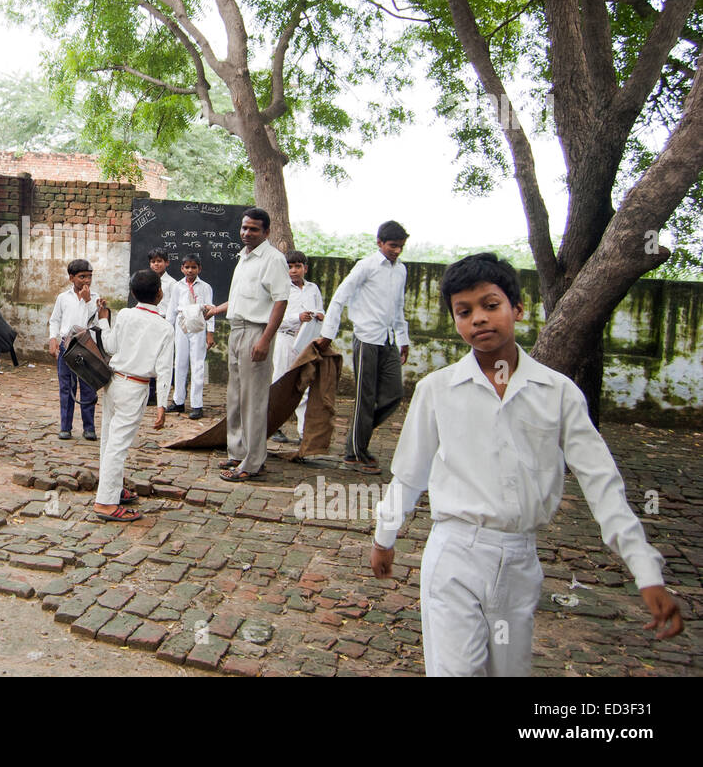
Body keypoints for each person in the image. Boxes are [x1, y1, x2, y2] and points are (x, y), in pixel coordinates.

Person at [371, 252, 682, 676]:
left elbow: (601, 481)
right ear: (455, 321)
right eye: (464, 312)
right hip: (455, 551)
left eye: (490, 305)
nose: (478, 318)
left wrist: (645, 568)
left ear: (517, 308)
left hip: (520, 559)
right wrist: (385, 535)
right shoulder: (437, 391)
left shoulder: (558, 393)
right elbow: (409, 472)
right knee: (456, 671)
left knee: (509, 670)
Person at [202, 208, 290, 482]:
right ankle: (237, 452)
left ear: (266, 232)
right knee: (236, 396)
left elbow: (280, 301)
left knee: (254, 399)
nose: (246, 233)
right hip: (237, 329)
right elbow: (240, 300)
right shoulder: (243, 258)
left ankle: (252, 463)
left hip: (256, 332)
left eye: (253, 229)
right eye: (244, 228)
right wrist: (216, 310)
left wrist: (265, 339)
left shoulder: (273, 260)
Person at [316, 220, 410, 474]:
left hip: (389, 339)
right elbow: (339, 298)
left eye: (401, 246)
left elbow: (399, 306)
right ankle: (354, 453)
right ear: (379, 242)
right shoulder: (366, 266)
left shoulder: (400, 270)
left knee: (394, 394)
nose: (397, 251)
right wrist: (327, 334)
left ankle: (359, 436)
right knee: (365, 398)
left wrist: (403, 339)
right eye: (392, 246)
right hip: (367, 337)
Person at [93, 269, 174, 522]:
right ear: (160, 294)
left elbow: (109, 346)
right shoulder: (164, 327)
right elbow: (164, 370)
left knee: (109, 439)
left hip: (114, 382)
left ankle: (113, 489)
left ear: (132, 292)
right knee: (118, 445)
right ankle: (105, 502)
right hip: (135, 387)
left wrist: (104, 319)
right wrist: (162, 405)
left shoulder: (126, 315)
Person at [271, 250, 325, 443]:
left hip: (306, 340)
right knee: (280, 382)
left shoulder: (313, 289)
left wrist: (318, 315)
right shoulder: (281, 289)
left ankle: (304, 431)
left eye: (297, 267)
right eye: (290, 267)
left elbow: (320, 309)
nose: (293, 271)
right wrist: (297, 318)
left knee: (305, 383)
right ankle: (274, 426)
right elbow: (275, 319)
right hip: (286, 338)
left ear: (305, 268)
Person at [49, 258, 100, 441]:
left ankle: (89, 427)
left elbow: (95, 323)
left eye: (89, 277)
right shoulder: (63, 298)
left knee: (88, 388)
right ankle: (65, 427)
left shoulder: (95, 298)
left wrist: (88, 302)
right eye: (82, 277)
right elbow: (55, 319)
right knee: (66, 387)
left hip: (87, 348)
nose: (86, 281)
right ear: (71, 278)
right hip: (67, 347)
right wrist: (53, 338)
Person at [165, 252, 215, 420]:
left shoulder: (205, 287)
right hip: (181, 324)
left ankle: (197, 404)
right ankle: (178, 400)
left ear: (199, 268)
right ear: (182, 268)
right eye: (187, 267)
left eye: (193, 267)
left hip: (199, 325)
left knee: (198, 363)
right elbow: (172, 309)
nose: (190, 270)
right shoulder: (178, 287)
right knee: (179, 362)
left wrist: (210, 333)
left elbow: (211, 311)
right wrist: (168, 330)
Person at [145, 248, 177, 407]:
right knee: (150, 356)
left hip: (165, 321)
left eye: (159, 261)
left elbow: (173, 306)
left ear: (167, 263)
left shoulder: (172, 284)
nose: (156, 264)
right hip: (150, 321)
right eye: (153, 262)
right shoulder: (147, 281)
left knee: (164, 359)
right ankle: (150, 393)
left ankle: (164, 392)